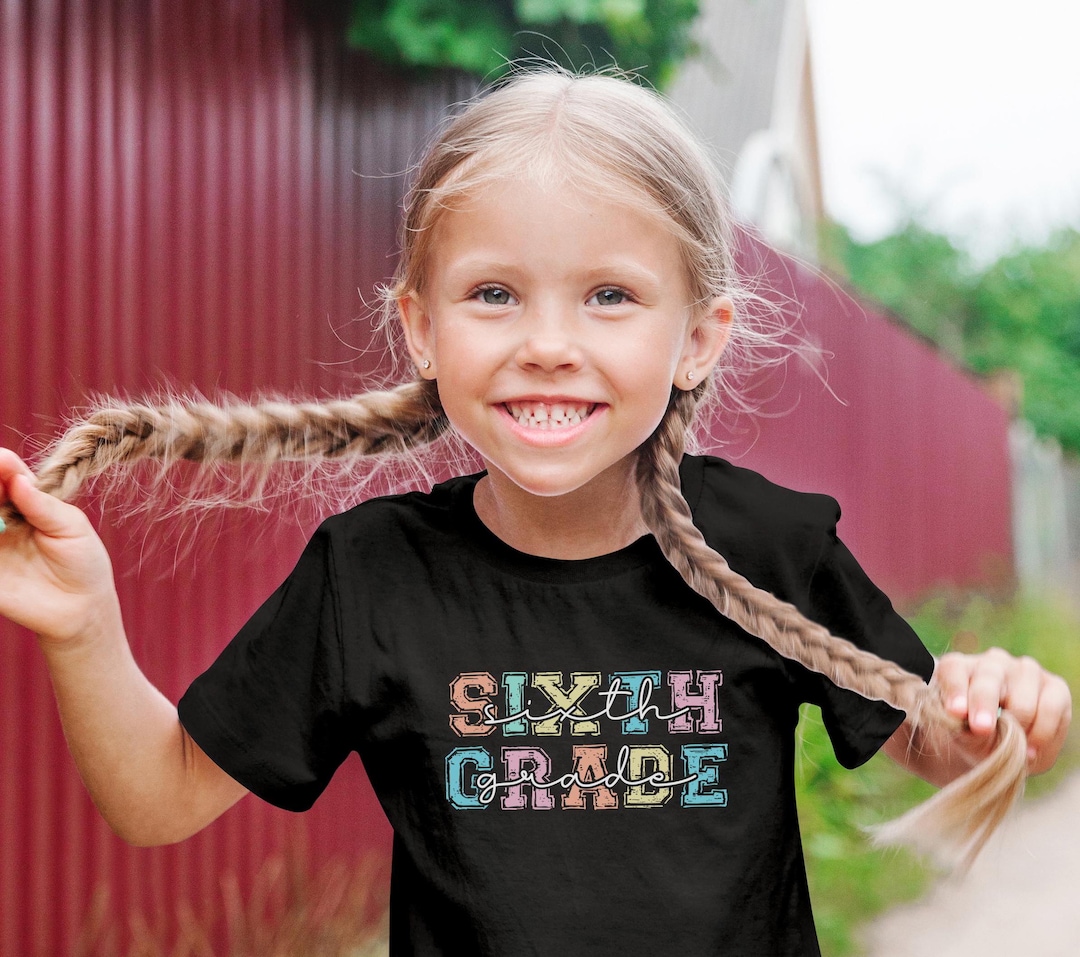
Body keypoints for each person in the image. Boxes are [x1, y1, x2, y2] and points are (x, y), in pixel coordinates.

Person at [0, 70, 1071, 956]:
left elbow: (932, 745)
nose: (548, 343)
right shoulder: (372, 574)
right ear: (421, 329)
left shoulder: (771, 548)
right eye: (495, 294)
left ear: (698, 336)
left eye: (609, 295)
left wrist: (995, 711)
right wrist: (84, 621)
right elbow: (161, 798)